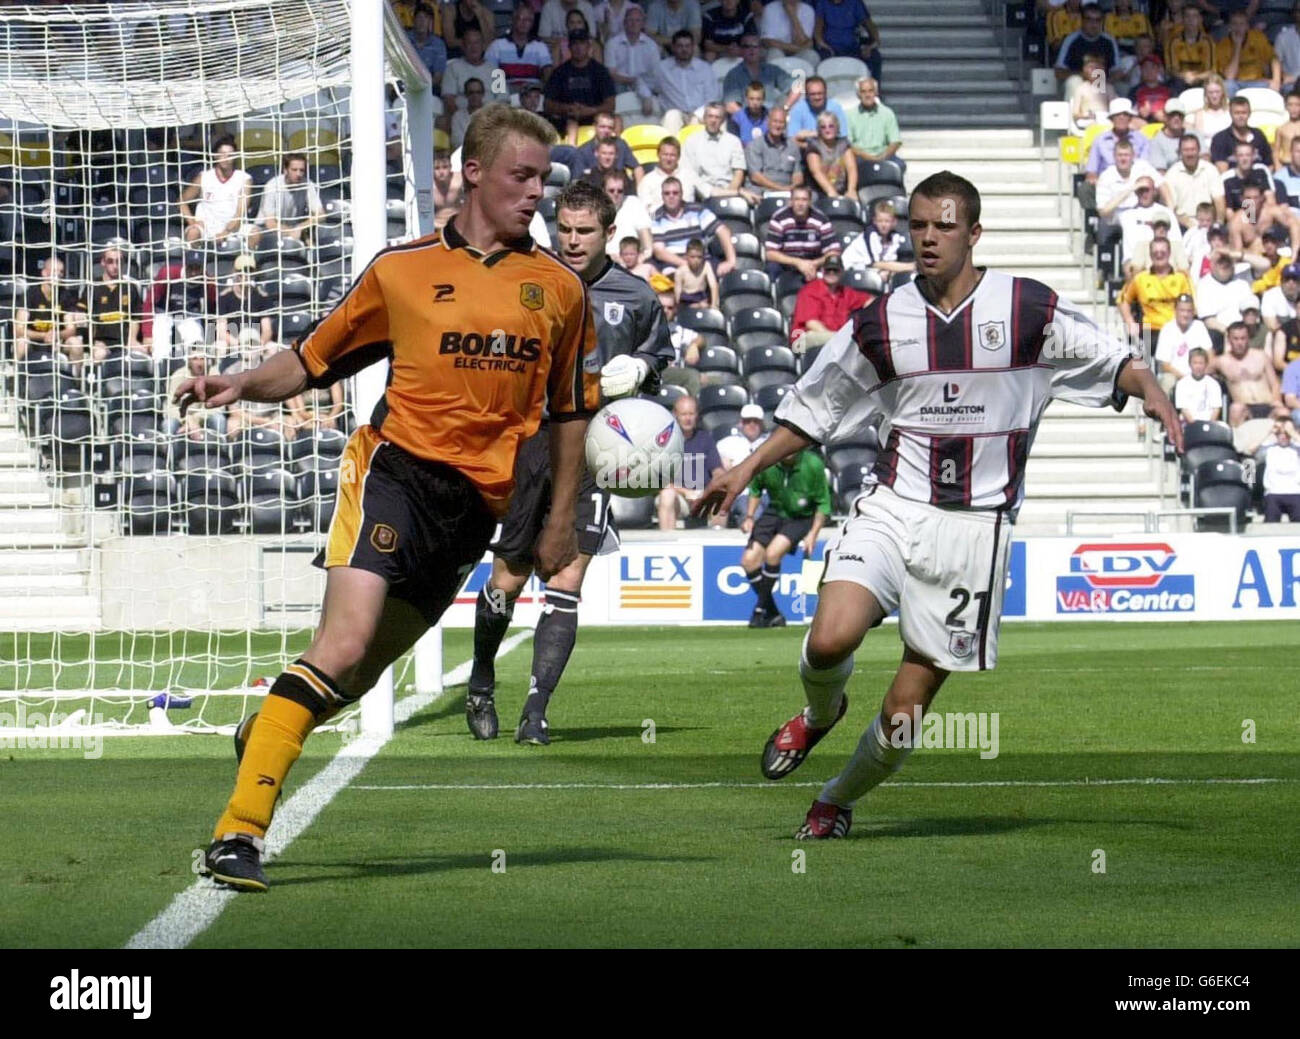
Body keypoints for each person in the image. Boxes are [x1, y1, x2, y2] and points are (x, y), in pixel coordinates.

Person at [183, 104, 599, 892]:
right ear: (472, 172)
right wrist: (240, 382)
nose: (537, 193)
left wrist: (559, 518)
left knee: (357, 673)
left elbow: (571, 410)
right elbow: (310, 359)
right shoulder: (400, 270)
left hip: (476, 510)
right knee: (342, 644)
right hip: (393, 474)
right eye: (522, 175)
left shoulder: (559, 289)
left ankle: (269, 725)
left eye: (543, 178)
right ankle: (238, 834)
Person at [693, 170, 1181, 840]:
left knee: (904, 711)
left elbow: (1112, 357)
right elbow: (816, 408)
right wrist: (745, 466)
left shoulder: (1025, 310)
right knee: (830, 636)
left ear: (973, 233)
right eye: (918, 225)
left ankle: (836, 798)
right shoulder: (881, 321)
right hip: (895, 503)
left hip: (975, 533)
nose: (927, 238)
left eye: (943, 225)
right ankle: (819, 713)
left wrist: (1148, 387)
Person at [466, 179, 672, 747]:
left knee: (568, 577)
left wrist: (643, 370)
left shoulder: (638, 296)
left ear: (610, 233)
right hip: (531, 442)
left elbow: (661, 358)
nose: (575, 241)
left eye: (587, 232)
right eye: (567, 230)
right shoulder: (529, 279)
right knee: (508, 577)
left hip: (597, 450)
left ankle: (537, 709)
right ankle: (481, 681)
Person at [740, 447, 831, 628]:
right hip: (774, 512)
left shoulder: (812, 464)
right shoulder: (768, 462)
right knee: (748, 560)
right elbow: (755, 489)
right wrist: (749, 517)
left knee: (773, 554)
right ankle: (773, 613)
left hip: (802, 516)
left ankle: (759, 611)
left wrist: (813, 533)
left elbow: (823, 502)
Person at [657, 393, 723, 529]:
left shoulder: (705, 438)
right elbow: (660, 481)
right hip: (678, 497)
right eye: (683, 414)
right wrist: (686, 492)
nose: (688, 418)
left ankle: (719, 542)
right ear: (676, 415)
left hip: (704, 494)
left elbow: (717, 470)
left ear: (696, 415)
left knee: (721, 492)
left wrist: (711, 489)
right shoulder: (667, 442)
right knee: (667, 494)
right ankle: (667, 542)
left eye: (691, 414)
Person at [179, 135, 258, 248]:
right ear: (216, 156)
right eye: (222, 154)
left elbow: (240, 213)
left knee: (255, 234)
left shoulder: (244, 179)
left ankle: (246, 264)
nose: (226, 158)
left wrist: (226, 232)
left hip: (233, 227)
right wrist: (193, 222)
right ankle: (194, 264)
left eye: (230, 155)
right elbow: (181, 201)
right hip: (206, 227)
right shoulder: (204, 177)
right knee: (193, 233)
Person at [650, 177, 737, 275]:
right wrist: (687, 265)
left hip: (702, 261)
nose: (671, 196)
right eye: (667, 193)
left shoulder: (697, 210)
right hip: (674, 266)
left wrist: (731, 260)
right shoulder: (656, 217)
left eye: (675, 193)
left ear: (681, 194)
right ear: (662, 196)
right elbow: (659, 252)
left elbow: (722, 230)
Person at [543, 26, 616, 142]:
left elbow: (611, 105)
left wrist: (590, 110)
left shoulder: (600, 71)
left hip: (595, 117)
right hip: (566, 120)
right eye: (574, 44)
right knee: (568, 123)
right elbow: (547, 105)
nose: (578, 47)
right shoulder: (559, 72)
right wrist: (567, 109)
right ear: (569, 48)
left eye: (582, 43)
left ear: (588, 46)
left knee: (616, 120)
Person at [76, 245, 146, 364]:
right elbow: (82, 318)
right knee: (99, 355)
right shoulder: (92, 287)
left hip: (124, 341)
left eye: (118, 262)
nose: (115, 266)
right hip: (101, 342)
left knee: (143, 354)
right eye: (110, 261)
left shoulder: (130, 287)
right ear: (103, 262)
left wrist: (132, 340)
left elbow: (135, 318)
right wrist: (92, 342)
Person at [789, 252, 870, 353]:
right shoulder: (810, 290)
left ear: (842, 272)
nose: (831, 273)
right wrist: (838, 339)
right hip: (803, 340)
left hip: (833, 338)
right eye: (828, 270)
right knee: (849, 343)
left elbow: (870, 301)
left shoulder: (845, 292)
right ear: (822, 271)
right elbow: (811, 324)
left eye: (835, 270)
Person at [681, 101, 759, 204]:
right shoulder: (691, 141)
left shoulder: (733, 141)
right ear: (704, 119)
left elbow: (738, 172)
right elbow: (691, 174)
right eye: (710, 116)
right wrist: (709, 192)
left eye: (717, 117)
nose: (713, 120)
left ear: (723, 120)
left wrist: (729, 194)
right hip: (702, 195)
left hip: (730, 193)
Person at [14, 255, 83, 368]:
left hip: (57, 341)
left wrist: (56, 335)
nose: (59, 275)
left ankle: (75, 383)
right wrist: (43, 336)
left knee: (76, 343)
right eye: (55, 271)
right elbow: (19, 330)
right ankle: (17, 381)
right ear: (44, 273)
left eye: (61, 272)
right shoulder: (30, 294)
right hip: (34, 341)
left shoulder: (66, 295)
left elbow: (71, 329)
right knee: (22, 342)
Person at [1215, 321, 1288, 426]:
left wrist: (1277, 401)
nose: (1240, 343)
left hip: (1267, 405)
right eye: (1236, 339)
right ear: (1229, 339)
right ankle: (1236, 441)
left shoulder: (1261, 356)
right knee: (1236, 409)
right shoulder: (1221, 361)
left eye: (1243, 338)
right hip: (1245, 408)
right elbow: (1201, 367)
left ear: (1248, 338)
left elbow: (1275, 384)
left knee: (1283, 412)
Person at [763, 184, 838, 282]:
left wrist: (814, 264)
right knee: (772, 267)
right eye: (797, 199)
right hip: (787, 263)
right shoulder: (779, 218)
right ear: (791, 202)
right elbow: (770, 253)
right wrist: (798, 263)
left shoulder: (821, 219)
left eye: (804, 199)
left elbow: (834, 251)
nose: (800, 204)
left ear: (810, 202)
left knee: (834, 265)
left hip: (814, 263)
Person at [653, 29, 716, 133]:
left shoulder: (705, 68)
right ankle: (671, 149)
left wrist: (697, 115)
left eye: (687, 46)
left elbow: (712, 97)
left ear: (693, 48)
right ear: (673, 47)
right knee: (672, 115)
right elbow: (642, 81)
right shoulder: (662, 69)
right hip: (675, 115)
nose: (684, 49)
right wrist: (646, 97)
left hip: (699, 116)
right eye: (680, 46)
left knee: (700, 120)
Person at [604, 5, 662, 117]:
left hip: (646, 86)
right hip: (619, 87)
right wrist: (634, 82)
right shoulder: (612, 44)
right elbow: (611, 74)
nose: (634, 23)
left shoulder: (651, 46)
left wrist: (642, 87)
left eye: (637, 20)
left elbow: (655, 75)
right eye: (630, 20)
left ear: (643, 24)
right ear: (624, 22)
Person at [255, 153, 325, 243]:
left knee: (312, 243)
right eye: (294, 170)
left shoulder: (308, 184)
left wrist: (300, 227)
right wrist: (291, 231)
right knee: (253, 233)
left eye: (302, 170)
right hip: (267, 231)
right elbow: (270, 223)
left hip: (295, 230)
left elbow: (321, 215)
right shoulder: (272, 186)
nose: (298, 174)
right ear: (285, 170)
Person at [721, 34, 795, 115]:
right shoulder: (733, 74)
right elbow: (730, 105)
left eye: (755, 46)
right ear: (741, 50)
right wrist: (748, 121)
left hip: (771, 118)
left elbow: (796, 87)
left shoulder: (772, 69)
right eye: (747, 46)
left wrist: (785, 109)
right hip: (745, 118)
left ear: (760, 49)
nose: (752, 49)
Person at [214, 254, 274, 354]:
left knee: (272, 347)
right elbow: (221, 330)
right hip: (234, 342)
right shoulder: (224, 298)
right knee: (221, 346)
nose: (246, 275)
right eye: (242, 271)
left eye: (249, 271)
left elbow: (267, 329)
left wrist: (259, 343)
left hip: (255, 341)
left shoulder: (262, 297)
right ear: (235, 273)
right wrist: (237, 344)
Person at [846, 76, 902, 183]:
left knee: (900, 165)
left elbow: (895, 142)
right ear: (858, 94)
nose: (867, 95)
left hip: (884, 154)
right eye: (863, 91)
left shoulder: (887, 113)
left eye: (871, 91)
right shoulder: (849, 115)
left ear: (876, 92)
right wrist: (868, 157)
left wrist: (882, 156)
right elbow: (849, 144)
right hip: (860, 156)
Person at [486, 4, 553, 92]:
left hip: (533, 95)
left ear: (532, 23)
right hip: (505, 95)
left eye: (528, 20)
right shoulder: (497, 45)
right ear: (512, 20)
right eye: (520, 18)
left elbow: (548, 74)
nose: (524, 23)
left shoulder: (540, 46)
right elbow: (488, 75)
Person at [1154, 293, 1212, 394]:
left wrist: (1200, 375)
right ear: (1175, 310)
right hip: (1175, 376)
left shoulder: (1199, 326)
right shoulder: (1167, 329)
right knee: (1167, 381)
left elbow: (1210, 354)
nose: (1185, 314)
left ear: (1193, 312)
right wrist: (1186, 379)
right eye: (1182, 310)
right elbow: (1165, 366)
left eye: (1189, 311)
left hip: (1198, 374)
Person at [1214, 8, 1280, 94]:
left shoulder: (1258, 37)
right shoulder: (1223, 45)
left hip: (1257, 81)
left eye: (1242, 24)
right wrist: (1237, 46)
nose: (1238, 27)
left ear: (1247, 26)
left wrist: (1276, 80)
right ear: (1229, 26)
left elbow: (1274, 59)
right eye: (1234, 24)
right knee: (1228, 85)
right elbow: (1230, 76)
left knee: (1272, 86)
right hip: (1237, 83)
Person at [842, 198, 914, 275]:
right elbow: (875, 263)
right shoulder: (871, 235)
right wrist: (909, 266)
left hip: (869, 270)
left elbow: (888, 263)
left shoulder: (895, 238)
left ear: (894, 222)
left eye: (887, 221)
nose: (883, 225)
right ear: (874, 221)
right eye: (880, 221)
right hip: (851, 268)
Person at [744, 104, 803, 193]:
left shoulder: (792, 146)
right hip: (763, 190)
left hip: (788, 190)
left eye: (781, 122)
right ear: (768, 122)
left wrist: (793, 187)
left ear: (786, 125)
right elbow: (756, 177)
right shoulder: (755, 145)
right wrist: (780, 189)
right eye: (775, 121)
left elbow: (797, 174)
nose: (778, 125)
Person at [806, 110, 858, 200]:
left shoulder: (844, 144)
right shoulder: (813, 146)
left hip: (842, 189)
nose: (827, 130)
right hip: (819, 191)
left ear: (837, 127)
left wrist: (851, 190)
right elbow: (816, 171)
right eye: (823, 127)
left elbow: (851, 168)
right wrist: (831, 192)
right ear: (819, 130)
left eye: (831, 126)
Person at [604, 172, 653, 263]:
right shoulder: (595, 209)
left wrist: (637, 261)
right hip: (607, 262)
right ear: (603, 191)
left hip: (634, 262)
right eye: (611, 191)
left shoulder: (633, 203)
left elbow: (648, 247)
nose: (616, 194)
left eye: (620, 191)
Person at [1260, 422, 1300, 520]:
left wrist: (1292, 432)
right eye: (1280, 433)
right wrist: (1268, 432)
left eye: (1286, 434)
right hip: (1273, 493)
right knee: (1271, 524)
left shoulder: (1297, 448)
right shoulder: (1269, 448)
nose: (1283, 437)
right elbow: (1249, 450)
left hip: (1295, 492)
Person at [1173, 346, 1223, 423]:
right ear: (1190, 364)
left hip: (1209, 423)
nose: (1198, 366)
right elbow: (1183, 409)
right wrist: (1195, 425)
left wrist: (1209, 425)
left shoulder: (1213, 384)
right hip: (1189, 423)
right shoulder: (1182, 384)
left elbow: (1216, 409)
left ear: (1206, 364)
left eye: (1201, 363)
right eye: (1195, 363)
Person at [673, 237, 719, 308]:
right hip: (686, 300)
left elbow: (713, 285)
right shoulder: (680, 271)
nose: (696, 260)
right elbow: (677, 296)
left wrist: (714, 305)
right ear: (686, 256)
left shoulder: (706, 266)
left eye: (699, 257)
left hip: (701, 297)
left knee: (705, 304)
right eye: (692, 257)